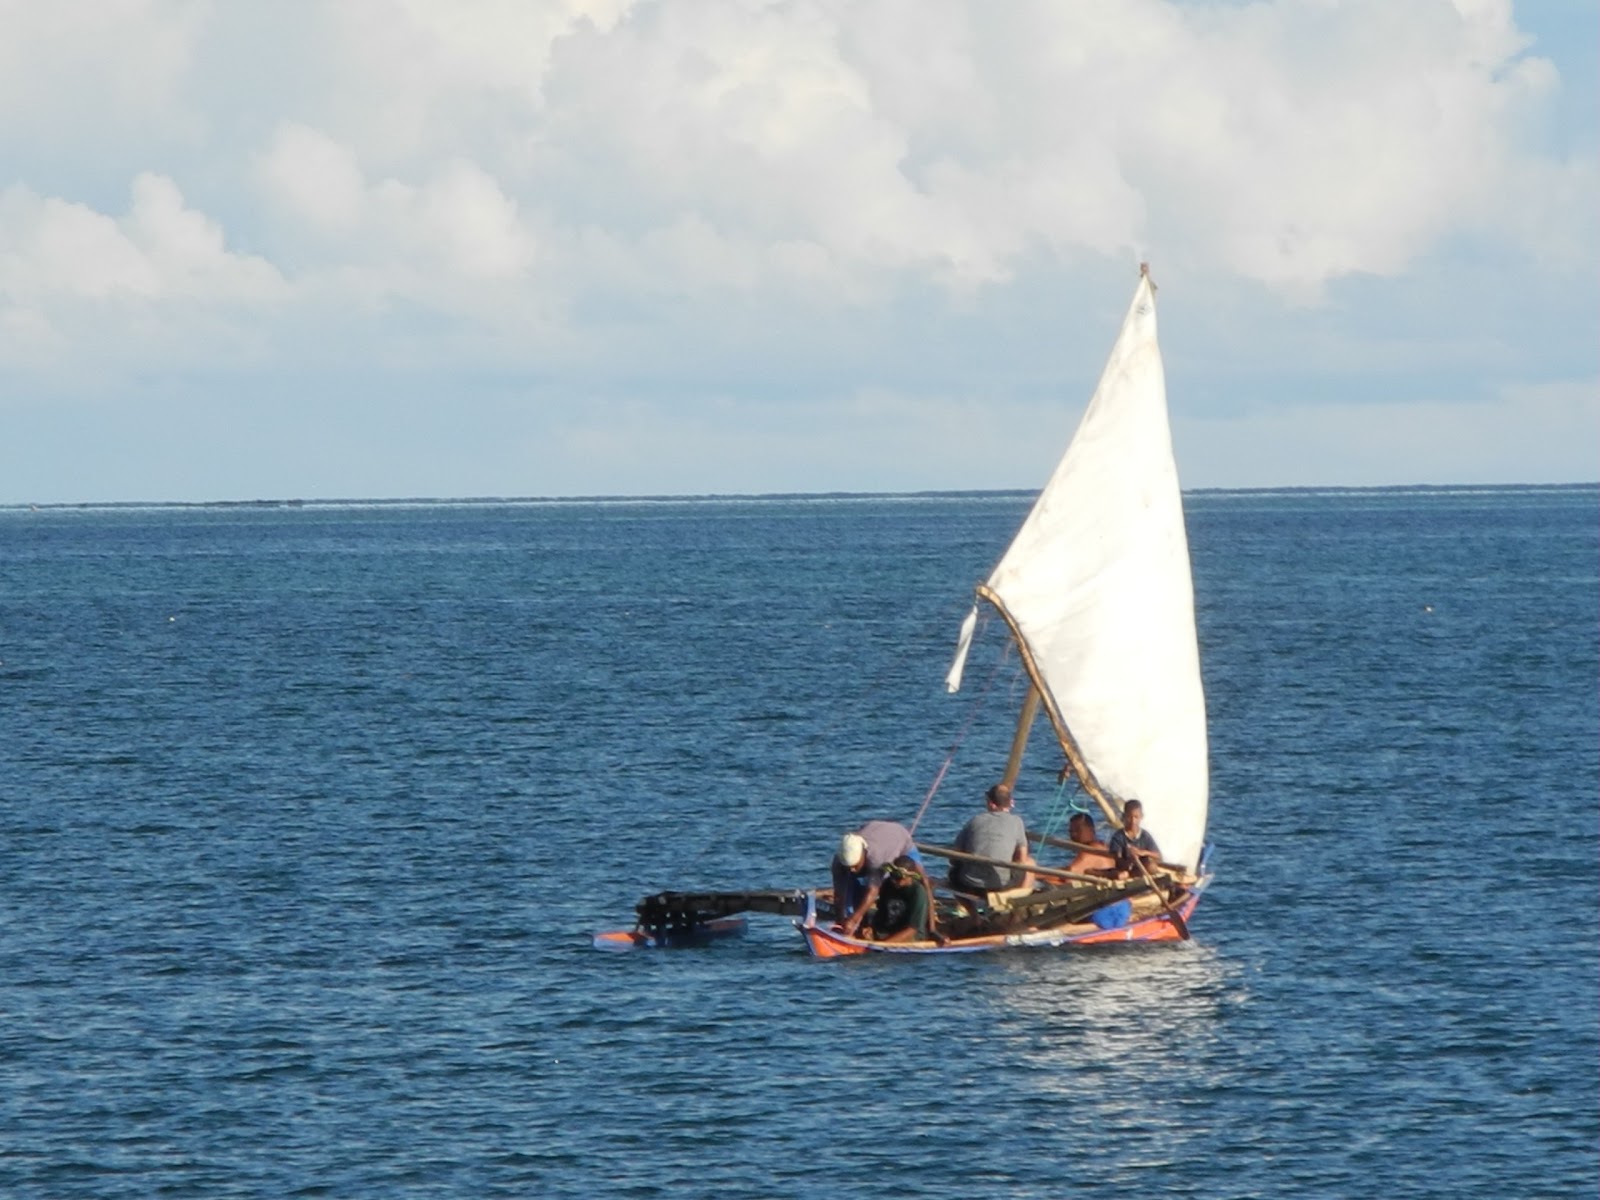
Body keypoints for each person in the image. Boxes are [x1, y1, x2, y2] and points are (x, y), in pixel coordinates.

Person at [832, 819, 930, 938]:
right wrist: (840, 920)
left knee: (923, 881)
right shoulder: (838, 864)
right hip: (875, 831)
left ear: (863, 855)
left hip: (899, 838)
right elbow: (839, 894)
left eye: (855, 866)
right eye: (849, 867)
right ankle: (860, 926)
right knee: (853, 886)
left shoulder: (876, 859)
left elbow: (873, 891)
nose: (852, 870)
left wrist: (853, 920)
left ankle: (930, 923)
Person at [948, 783, 1034, 903]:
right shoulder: (1017, 822)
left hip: (970, 884)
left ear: (990, 803)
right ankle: (1016, 909)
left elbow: (953, 857)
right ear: (1011, 802)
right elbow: (1022, 858)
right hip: (1001, 884)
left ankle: (974, 916)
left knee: (953, 871)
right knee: (1030, 863)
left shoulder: (975, 820)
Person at [865, 856, 938, 943]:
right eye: (893, 876)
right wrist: (871, 928)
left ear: (910, 877)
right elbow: (881, 912)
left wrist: (884, 944)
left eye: (899, 878)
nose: (894, 881)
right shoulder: (888, 884)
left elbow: (912, 929)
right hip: (888, 930)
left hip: (911, 936)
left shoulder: (917, 893)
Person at [1107, 799, 1162, 878]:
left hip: (1141, 870)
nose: (1133, 821)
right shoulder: (1118, 836)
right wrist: (1131, 860)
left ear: (1141, 817)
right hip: (1125, 871)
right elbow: (1118, 861)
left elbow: (1158, 856)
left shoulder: (1145, 835)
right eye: (1129, 817)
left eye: (1136, 817)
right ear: (1124, 817)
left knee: (1152, 867)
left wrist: (1143, 853)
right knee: (1122, 875)